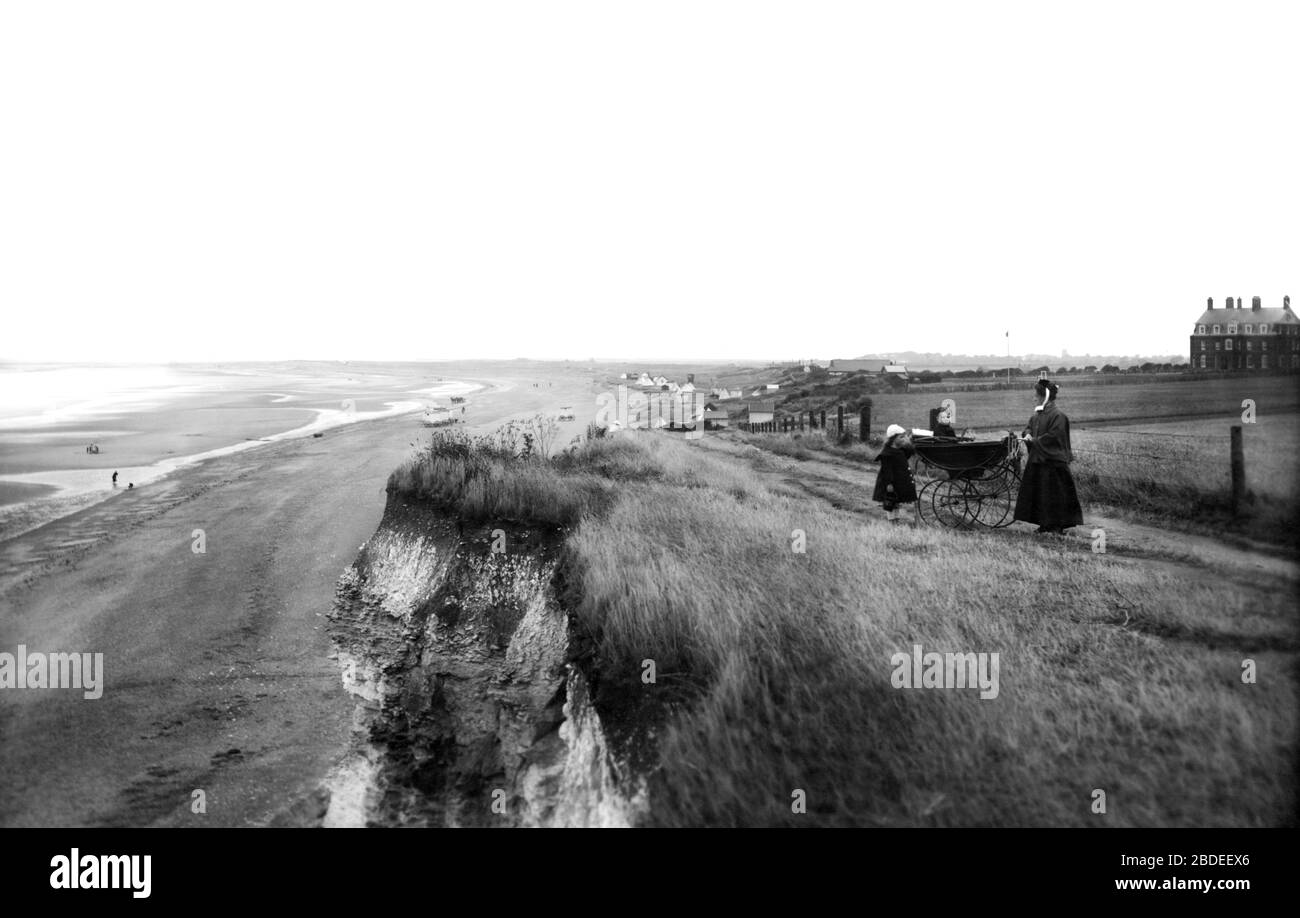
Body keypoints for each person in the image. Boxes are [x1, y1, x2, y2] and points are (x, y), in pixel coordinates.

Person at [1013, 379, 1083, 535]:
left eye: (1036, 395)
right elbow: (1028, 428)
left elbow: (1054, 437)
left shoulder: (1059, 416)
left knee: (1056, 495)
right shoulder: (1037, 415)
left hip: (1053, 463)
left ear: (1044, 397)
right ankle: (1045, 524)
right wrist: (1027, 434)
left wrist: (1034, 441)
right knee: (1041, 495)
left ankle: (1057, 526)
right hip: (1038, 461)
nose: (1034, 398)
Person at [873, 424, 917, 523]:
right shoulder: (887, 453)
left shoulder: (900, 450)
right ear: (893, 439)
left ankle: (896, 520)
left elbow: (910, 451)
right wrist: (889, 484)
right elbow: (886, 470)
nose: (903, 439)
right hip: (891, 483)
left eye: (904, 437)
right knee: (891, 502)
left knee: (896, 503)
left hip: (898, 481)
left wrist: (908, 441)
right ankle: (892, 521)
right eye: (901, 437)